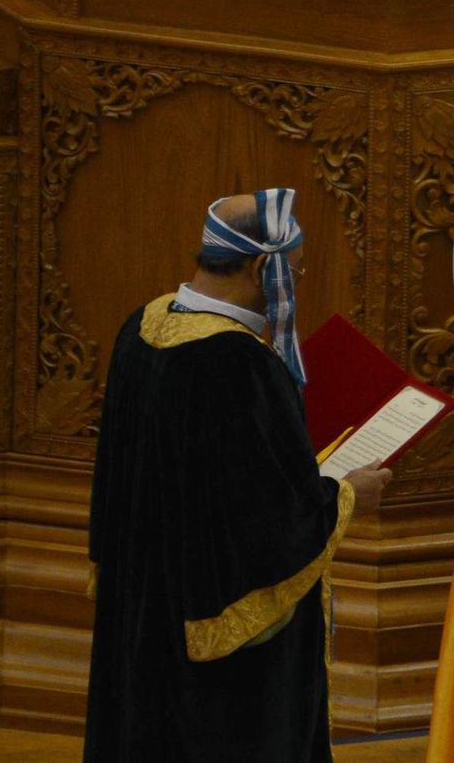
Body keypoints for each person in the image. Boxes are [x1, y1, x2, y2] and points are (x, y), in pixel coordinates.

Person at [85, 189, 393, 761]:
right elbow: (268, 528)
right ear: (260, 267)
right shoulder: (237, 363)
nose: (296, 284)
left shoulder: (142, 325)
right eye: (294, 270)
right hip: (219, 652)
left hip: (144, 605)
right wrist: (347, 495)